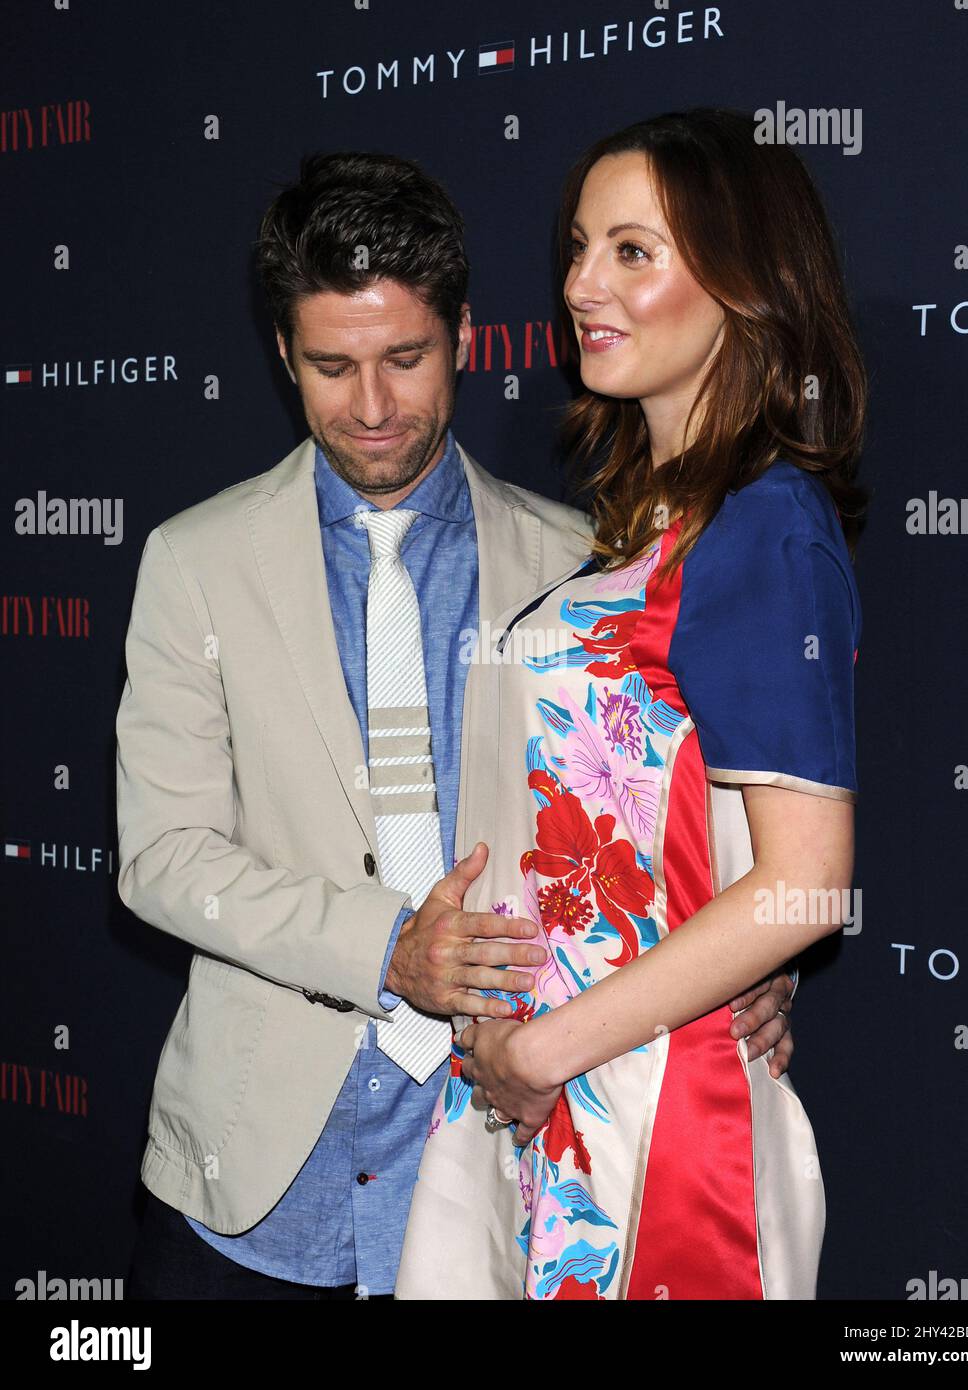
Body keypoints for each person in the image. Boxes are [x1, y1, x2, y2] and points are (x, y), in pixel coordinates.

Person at [115, 148, 797, 1300]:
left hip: (507, 1173)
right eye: (331, 366)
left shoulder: (583, 561)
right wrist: (389, 948)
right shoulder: (193, 564)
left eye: (406, 358)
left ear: (467, 337)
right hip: (256, 1194)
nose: (372, 408)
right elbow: (164, 860)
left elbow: (649, 837)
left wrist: (733, 965)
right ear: (281, 353)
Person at [395, 109, 868, 1302]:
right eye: (576, 246)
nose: (578, 285)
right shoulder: (651, 527)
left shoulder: (764, 524)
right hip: (554, 1089)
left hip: (650, 1122)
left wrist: (540, 1050)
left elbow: (804, 878)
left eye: (631, 251)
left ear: (744, 282)